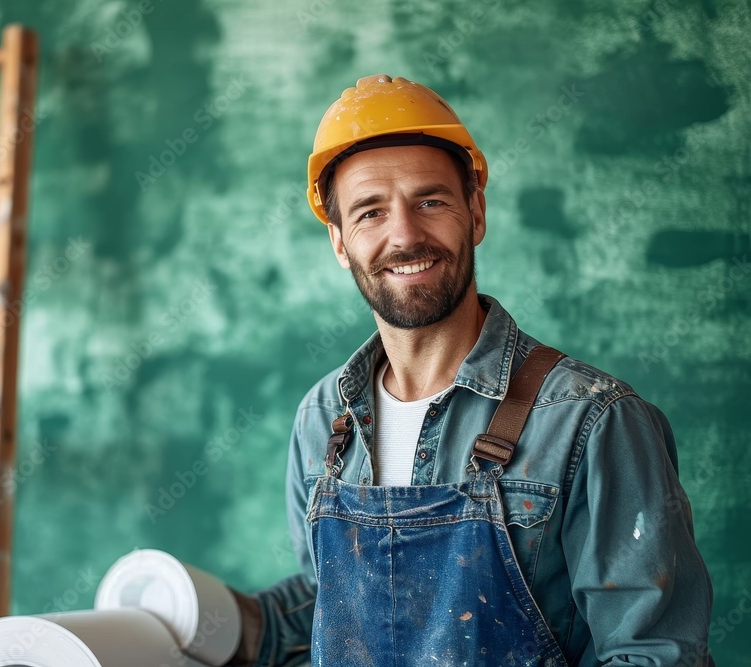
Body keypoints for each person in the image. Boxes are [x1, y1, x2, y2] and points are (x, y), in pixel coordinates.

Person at [225, 75, 714, 666]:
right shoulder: (324, 419)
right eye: (370, 212)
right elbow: (328, 607)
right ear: (339, 242)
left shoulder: (592, 421)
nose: (404, 235)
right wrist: (214, 623)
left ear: (475, 213)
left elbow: (653, 654)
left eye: (430, 201)